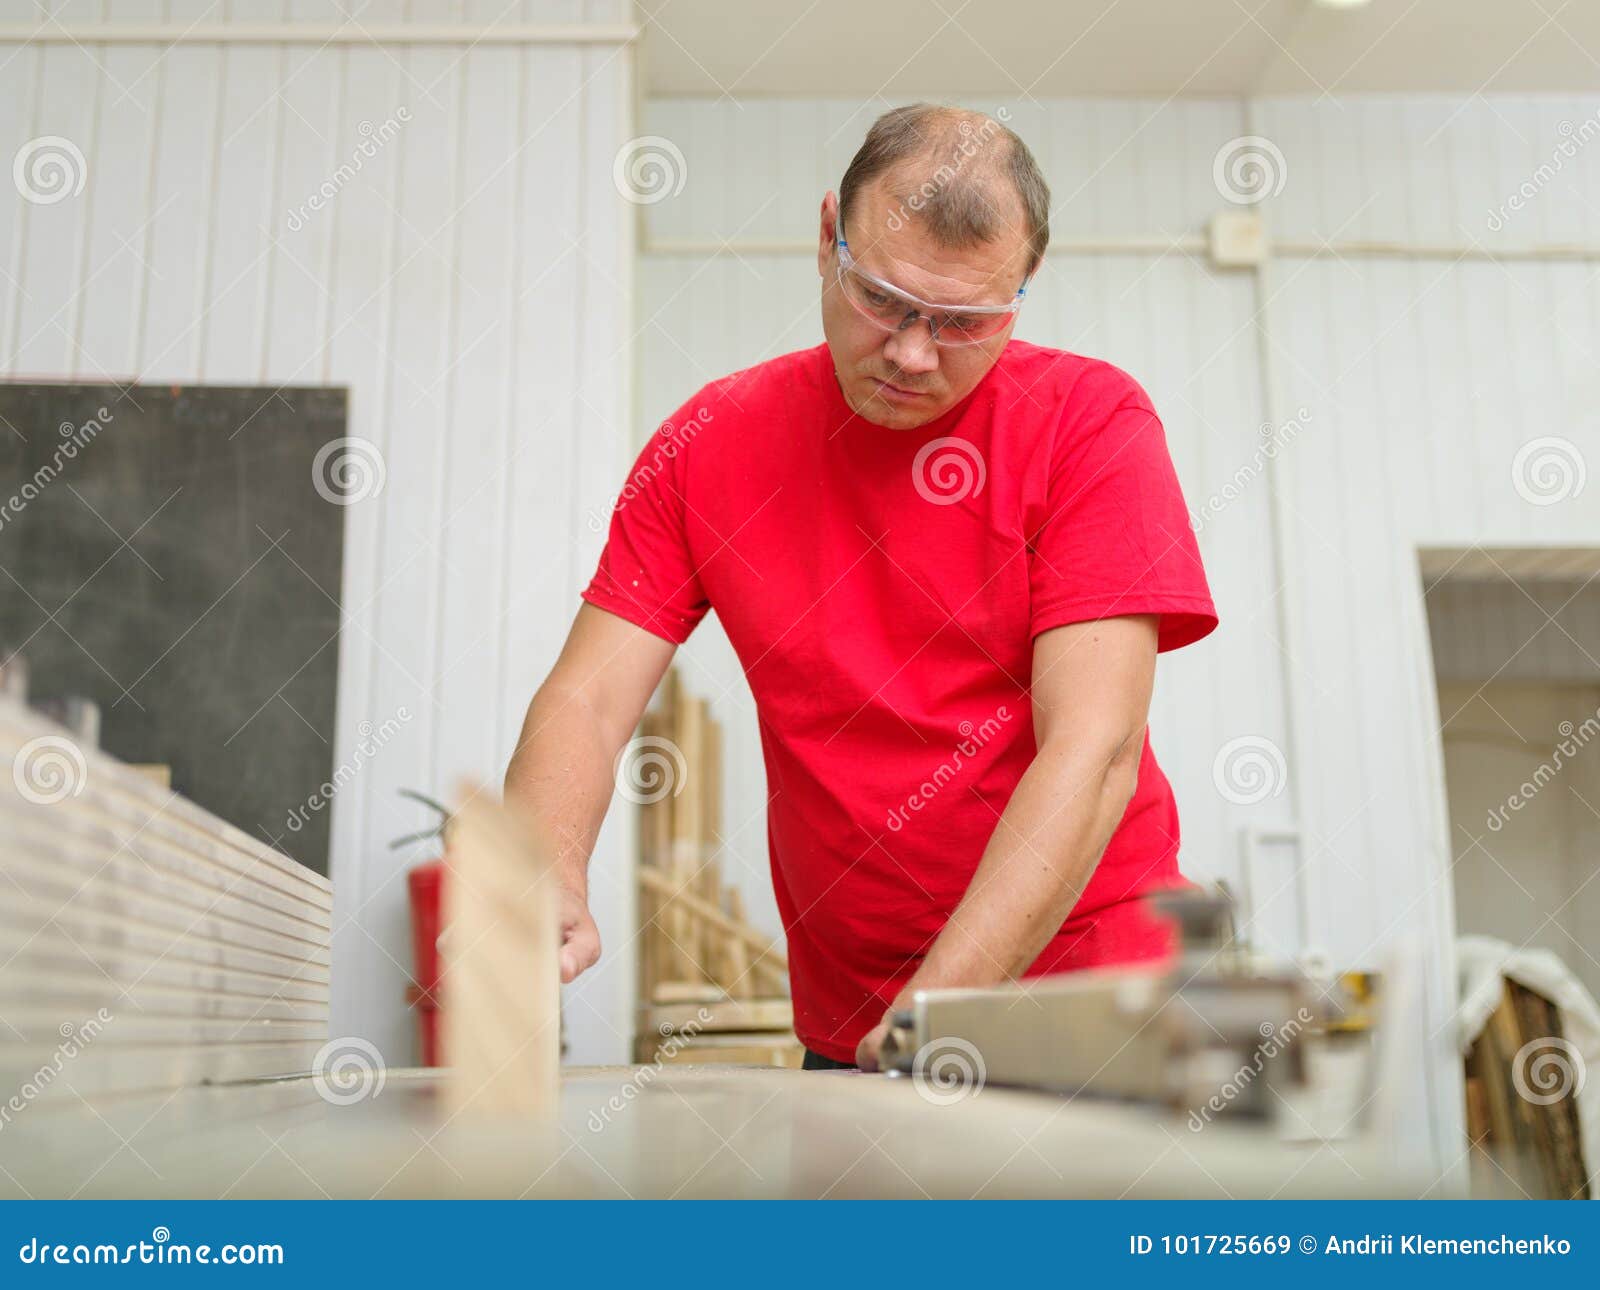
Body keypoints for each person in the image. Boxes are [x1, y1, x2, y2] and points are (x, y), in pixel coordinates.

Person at [504, 103, 1219, 1071]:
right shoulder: (707, 446)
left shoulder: (1090, 425)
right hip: (854, 1014)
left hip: (1090, 995)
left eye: (964, 321)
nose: (915, 353)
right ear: (824, 238)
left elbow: (1093, 749)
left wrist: (943, 1005)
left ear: (1023, 287)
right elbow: (586, 699)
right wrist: (546, 869)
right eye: (883, 299)